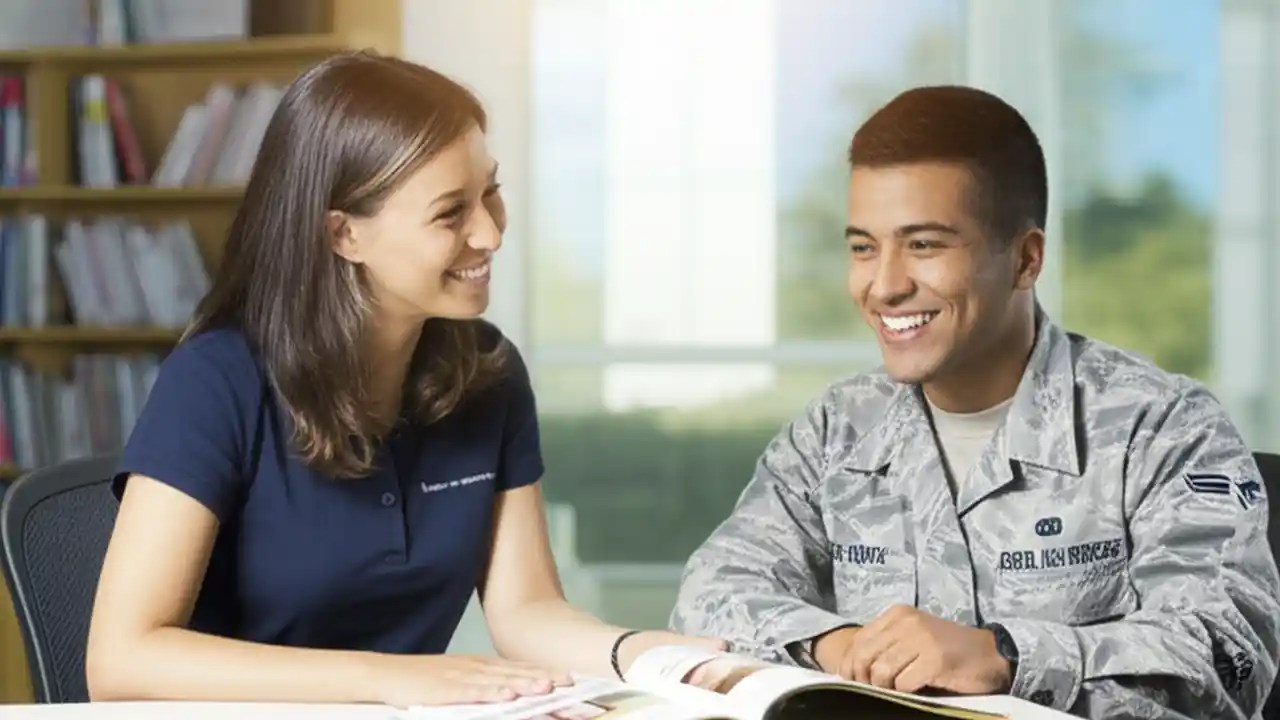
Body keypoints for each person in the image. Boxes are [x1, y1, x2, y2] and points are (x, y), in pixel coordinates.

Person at [86, 51, 717, 708]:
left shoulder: (487, 373)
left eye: (491, 194)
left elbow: (526, 610)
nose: (490, 233)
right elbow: (122, 658)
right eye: (451, 213)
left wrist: (642, 655)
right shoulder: (215, 380)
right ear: (343, 234)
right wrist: (391, 678)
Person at [670, 85, 1280, 718]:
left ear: (1025, 258)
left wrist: (1009, 659)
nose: (885, 285)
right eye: (863, 247)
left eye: (926, 245)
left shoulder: (1162, 428)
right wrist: (838, 644)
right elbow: (711, 594)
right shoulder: (836, 431)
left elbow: (1228, 654)